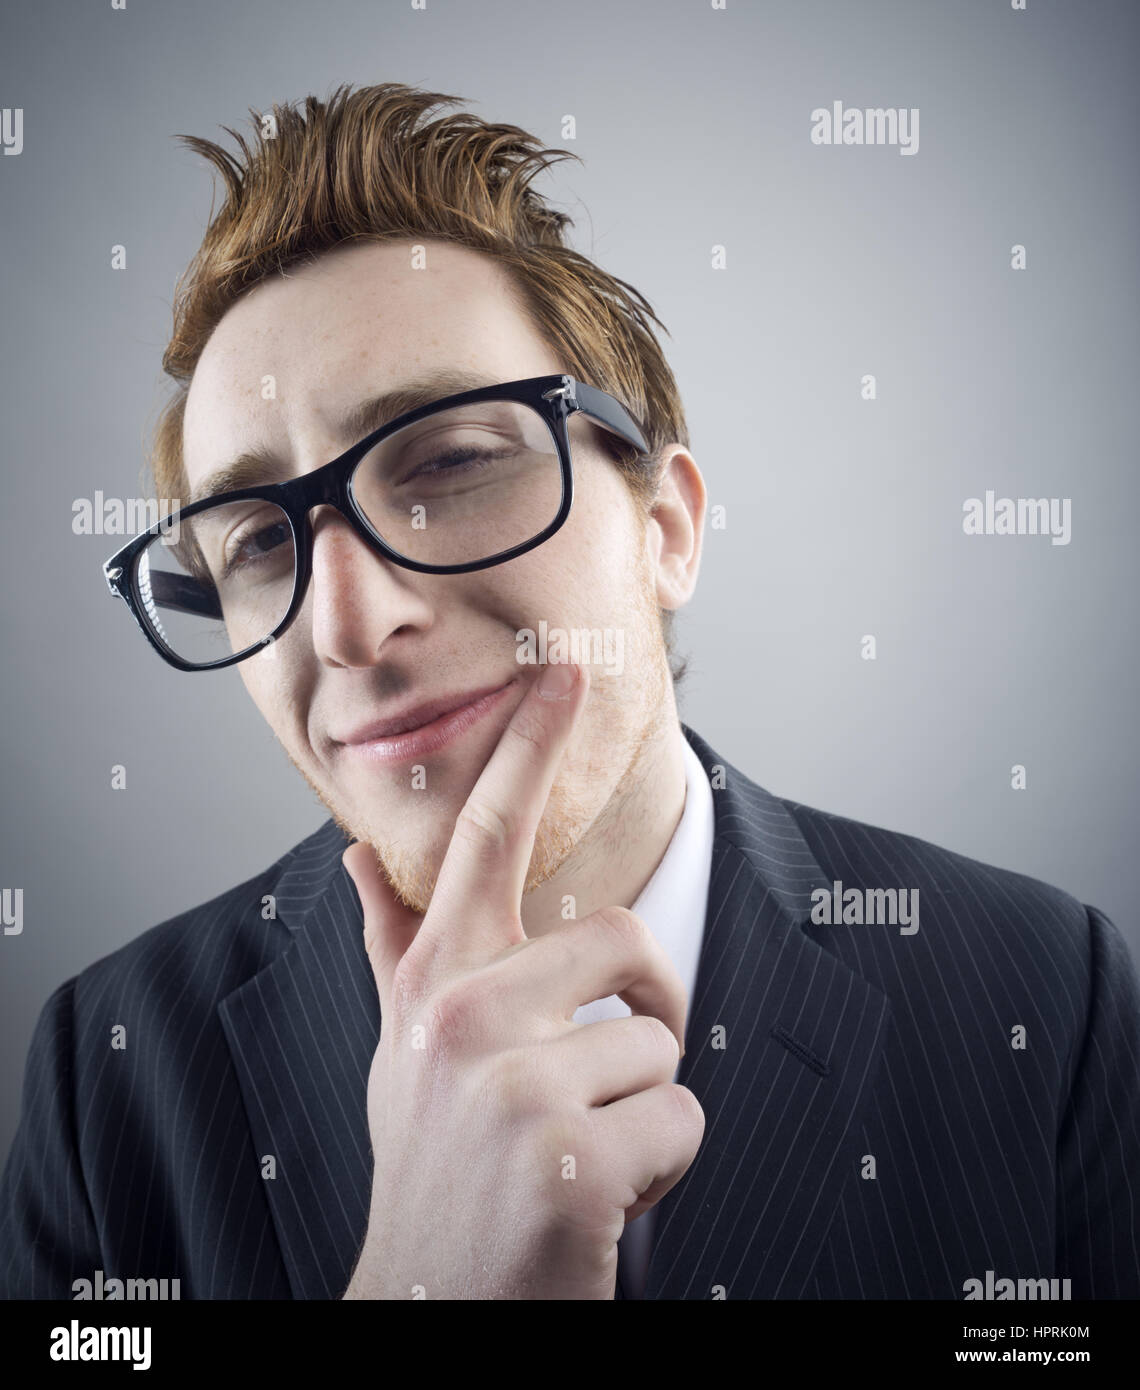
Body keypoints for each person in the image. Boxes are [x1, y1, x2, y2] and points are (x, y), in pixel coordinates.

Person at [2, 82, 1138, 1301]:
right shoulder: (107, 1075)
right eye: (259, 544)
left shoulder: (1040, 993)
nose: (348, 625)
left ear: (666, 529)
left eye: (448, 460)